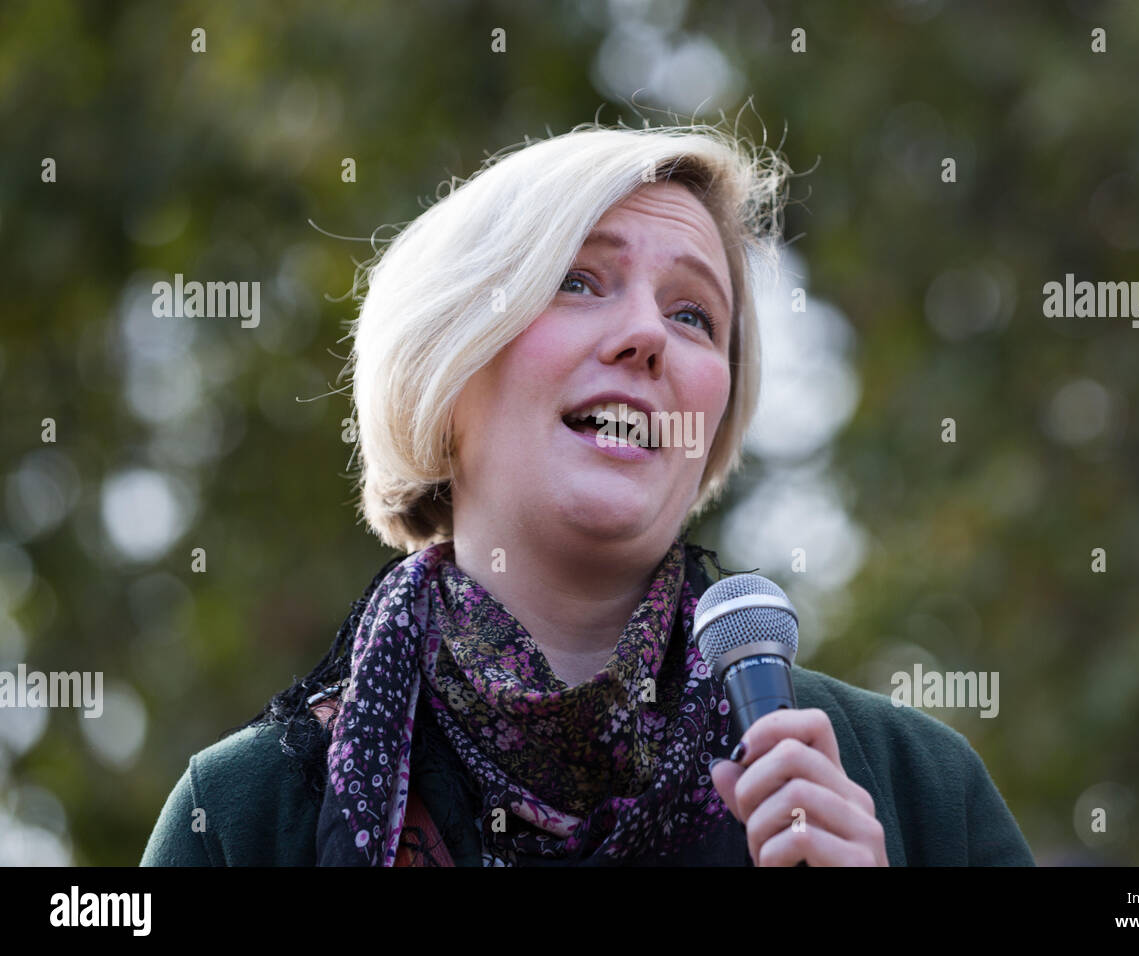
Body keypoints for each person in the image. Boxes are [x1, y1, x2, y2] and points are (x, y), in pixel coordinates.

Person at [140, 121, 1035, 867]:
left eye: (693, 315)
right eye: (578, 280)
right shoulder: (244, 818)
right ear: (446, 367)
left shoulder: (918, 791)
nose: (648, 333)